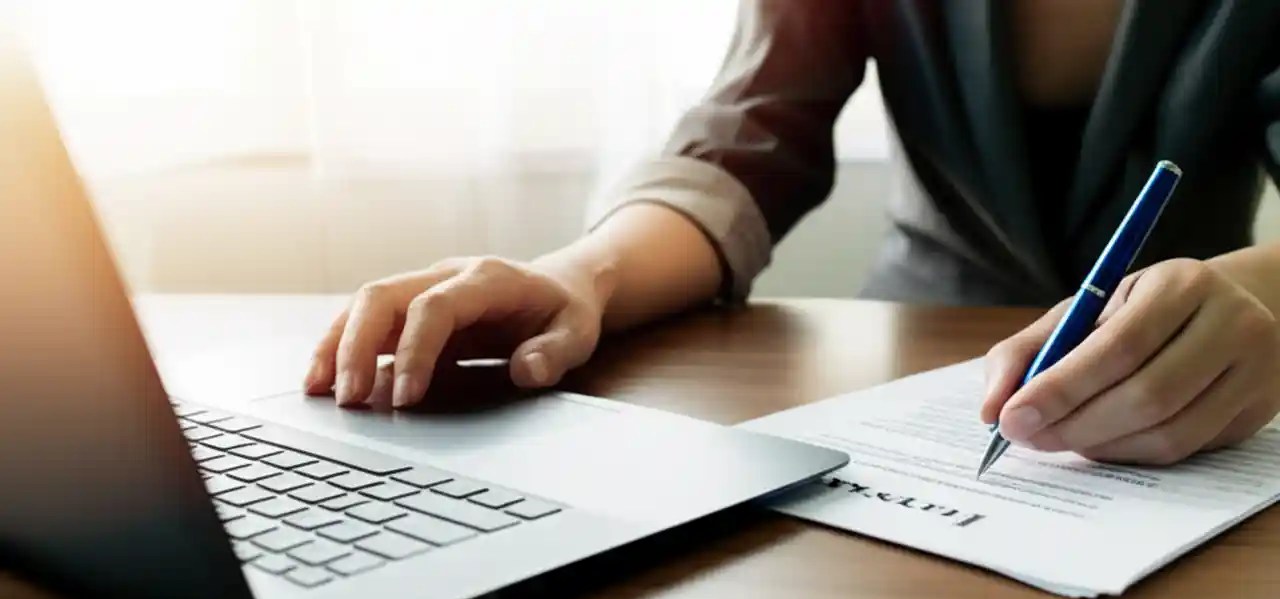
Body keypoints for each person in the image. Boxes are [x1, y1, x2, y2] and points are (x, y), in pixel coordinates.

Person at [304, 0, 1280, 466]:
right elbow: (746, 136)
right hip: (905, 378)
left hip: (1211, 371)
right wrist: (583, 274)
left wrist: (1255, 292)